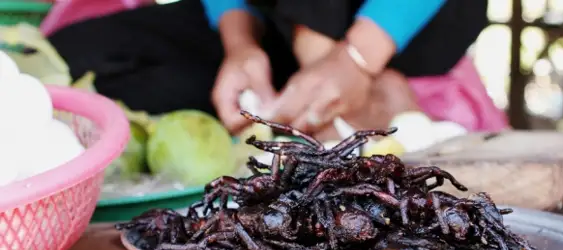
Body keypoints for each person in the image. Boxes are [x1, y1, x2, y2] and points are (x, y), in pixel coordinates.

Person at [49, 0, 488, 138]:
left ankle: (366, 97)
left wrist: (357, 57)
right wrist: (239, 45)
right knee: (71, 62)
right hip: (274, 25)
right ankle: (303, 101)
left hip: (397, 24)